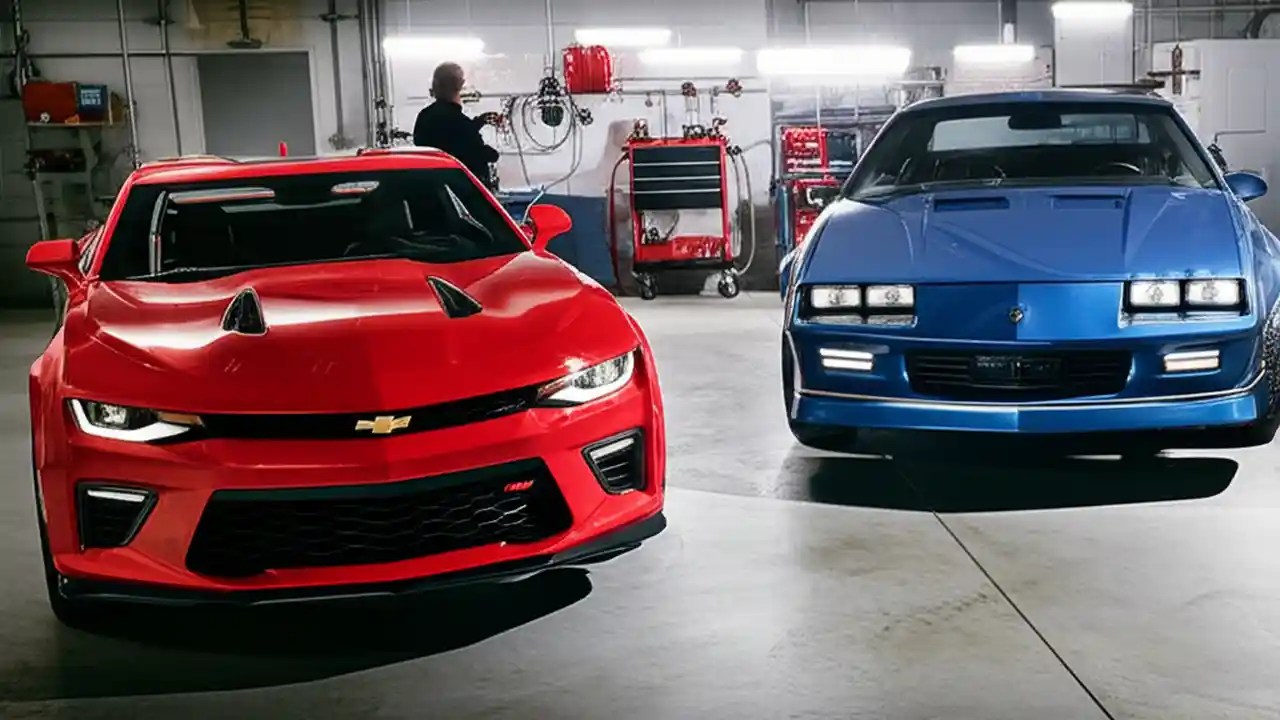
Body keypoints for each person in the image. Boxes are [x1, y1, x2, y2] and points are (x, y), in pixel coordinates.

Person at [413, 62, 500, 188]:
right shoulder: (460, 123)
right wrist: (492, 154)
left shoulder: (425, 117)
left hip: (432, 187)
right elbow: (470, 150)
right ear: (460, 85)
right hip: (462, 192)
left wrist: (477, 123)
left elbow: (447, 139)